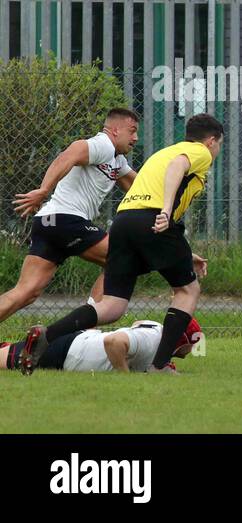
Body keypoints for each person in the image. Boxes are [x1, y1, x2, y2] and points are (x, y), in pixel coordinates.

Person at [19, 114, 222, 376]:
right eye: (219, 144)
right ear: (212, 140)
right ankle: (160, 365)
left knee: (111, 306)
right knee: (188, 290)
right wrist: (166, 211)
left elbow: (147, 185)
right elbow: (177, 167)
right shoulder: (199, 152)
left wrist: (182, 250)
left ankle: (47, 335)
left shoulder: (164, 151)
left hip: (125, 221)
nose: (217, 150)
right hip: (153, 219)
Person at [2, 108, 140, 325]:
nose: (136, 138)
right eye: (132, 131)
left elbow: (139, 187)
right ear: (115, 130)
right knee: (123, 257)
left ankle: (84, 329)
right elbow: (70, 153)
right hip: (66, 220)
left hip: (48, 221)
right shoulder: (103, 144)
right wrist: (43, 190)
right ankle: (84, 331)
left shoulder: (117, 160)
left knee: (26, 292)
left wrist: (175, 190)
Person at [2, 318, 201, 373]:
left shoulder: (156, 328)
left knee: (11, 350)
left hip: (81, 340)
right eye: (193, 345)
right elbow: (113, 341)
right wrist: (125, 377)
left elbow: (138, 323)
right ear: (182, 342)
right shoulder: (151, 341)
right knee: (8, 360)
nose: (192, 350)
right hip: (68, 352)